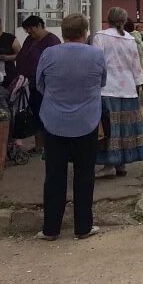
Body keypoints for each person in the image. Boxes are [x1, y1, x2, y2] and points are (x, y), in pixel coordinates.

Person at [36, 13, 107, 240]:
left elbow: (40, 84)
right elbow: (102, 82)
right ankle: (83, 227)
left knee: (54, 175)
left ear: (63, 33)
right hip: (86, 121)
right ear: (85, 32)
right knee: (85, 174)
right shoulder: (96, 55)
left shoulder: (49, 54)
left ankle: (50, 228)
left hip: (54, 121)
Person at [94, 7, 143, 177]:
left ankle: (109, 165)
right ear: (124, 21)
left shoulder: (100, 37)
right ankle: (121, 164)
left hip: (107, 88)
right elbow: (136, 66)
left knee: (110, 129)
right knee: (124, 130)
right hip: (128, 90)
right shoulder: (130, 39)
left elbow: (97, 64)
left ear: (107, 19)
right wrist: (139, 86)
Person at [15, 16, 61, 151]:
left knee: (45, 115)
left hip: (45, 85)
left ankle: (50, 146)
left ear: (40, 25)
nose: (29, 31)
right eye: (27, 29)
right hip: (29, 84)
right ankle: (38, 145)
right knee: (35, 114)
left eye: (31, 28)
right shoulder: (30, 40)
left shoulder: (52, 40)